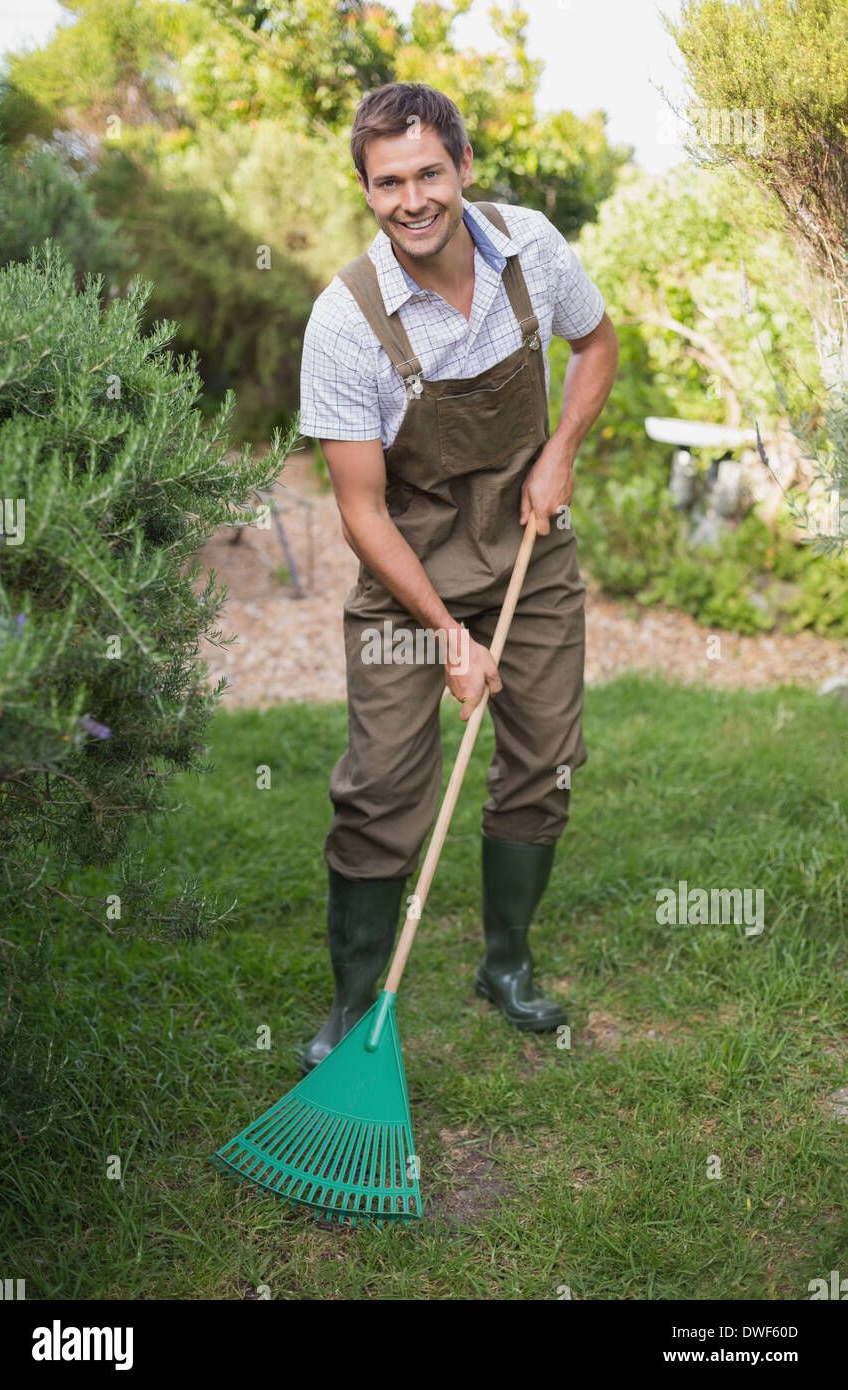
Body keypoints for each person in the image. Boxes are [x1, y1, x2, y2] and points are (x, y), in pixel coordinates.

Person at [298, 81, 618, 1074]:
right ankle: (354, 1015)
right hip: (410, 567)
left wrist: (561, 444)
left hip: (527, 538)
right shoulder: (345, 322)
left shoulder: (529, 249)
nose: (411, 198)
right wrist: (444, 630)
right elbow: (358, 509)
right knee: (383, 784)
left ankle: (504, 966)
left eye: (427, 172)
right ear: (366, 190)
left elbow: (595, 343)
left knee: (542, 755)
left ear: (462, 168)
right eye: (387, 182)